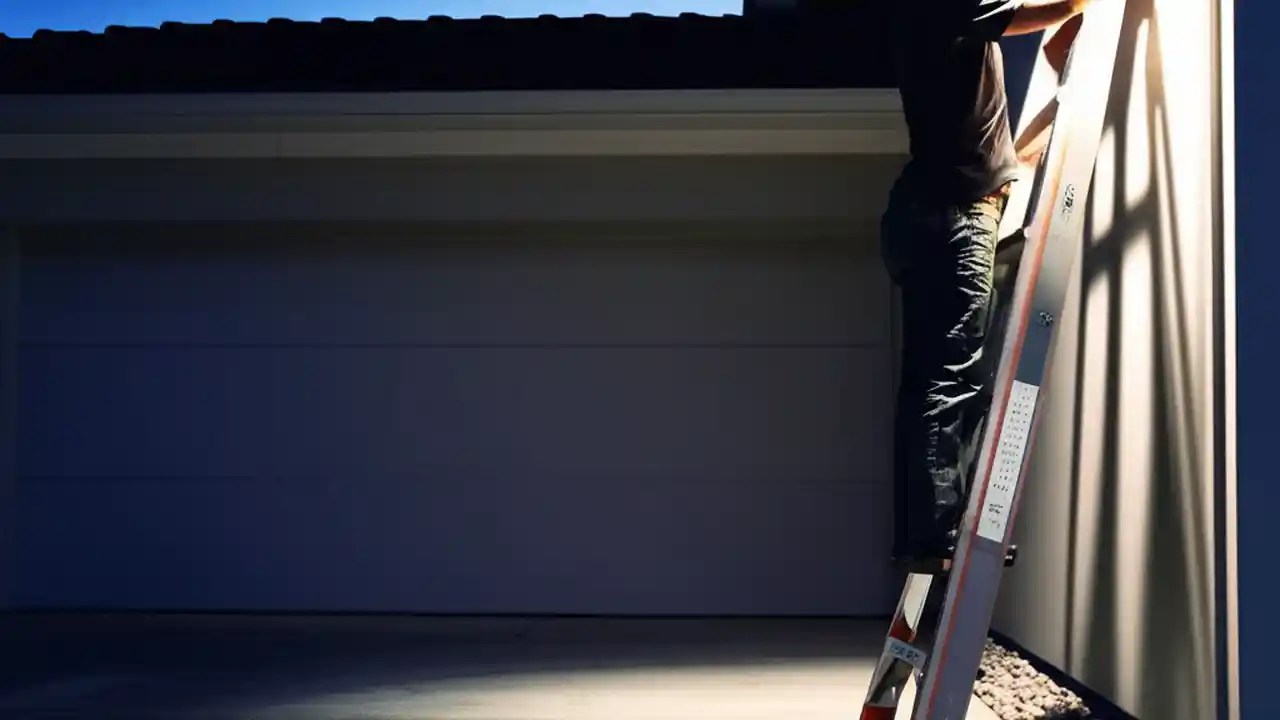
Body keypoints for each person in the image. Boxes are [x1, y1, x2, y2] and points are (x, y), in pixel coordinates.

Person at [881, 0, 1100, 564]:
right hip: (953, 216)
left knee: (934, 380)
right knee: (948, 379)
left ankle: (928, 533)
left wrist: (1016, 159)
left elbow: (1051, 38)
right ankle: (936, 535)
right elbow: (1051, 11)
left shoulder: (945, 21)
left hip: (934, 209)